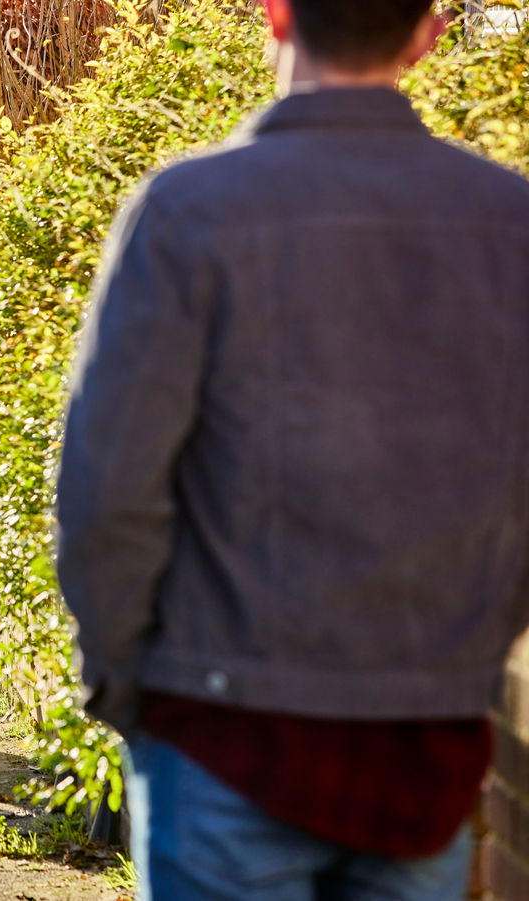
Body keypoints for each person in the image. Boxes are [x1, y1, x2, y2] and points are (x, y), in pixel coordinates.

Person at [56, 1, 529, 898]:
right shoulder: (512, 223)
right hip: (421, 741)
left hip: (219, 731)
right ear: (427, 34)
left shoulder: (187, 211)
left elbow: (108, 488)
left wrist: (125, 685)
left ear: (275, 17)